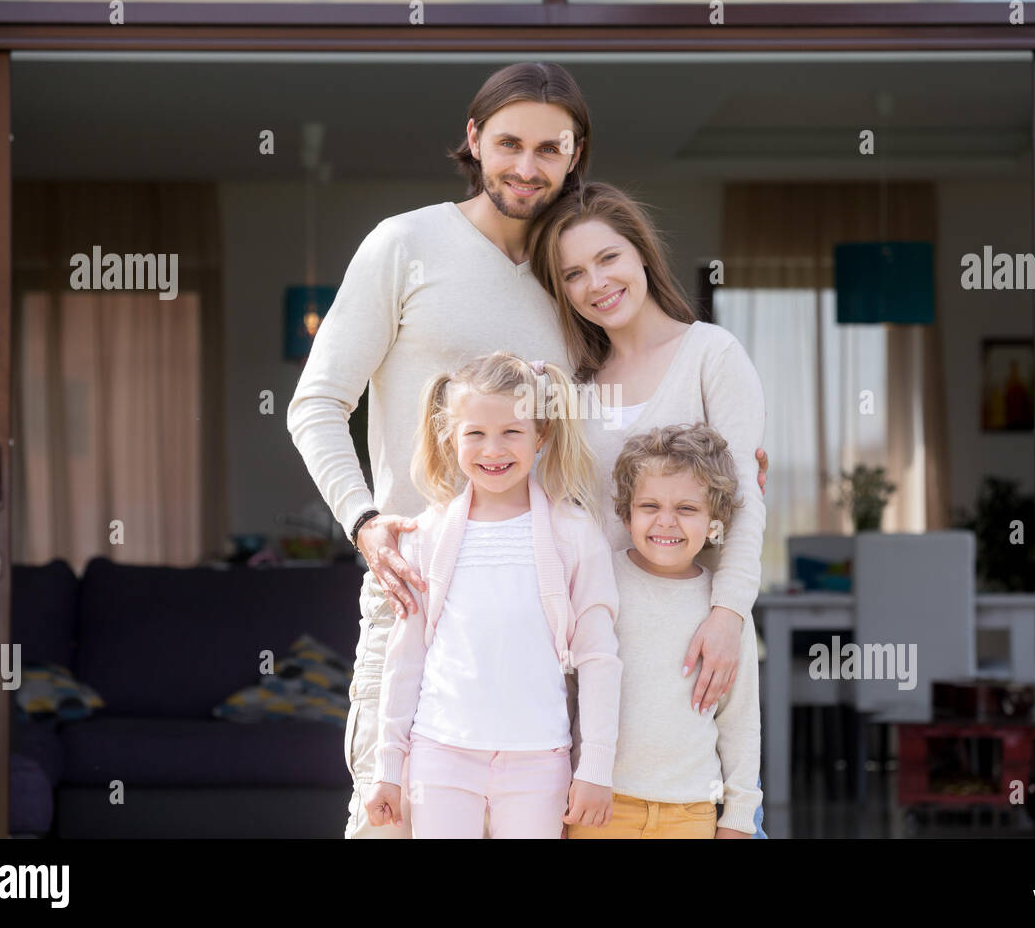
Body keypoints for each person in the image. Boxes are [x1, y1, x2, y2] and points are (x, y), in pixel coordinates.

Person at [286, 62, 767, 839]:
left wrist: (728, 532)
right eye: (509, 143)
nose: (526, 166)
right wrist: (366, 520)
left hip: (549, 647)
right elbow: (315, 403)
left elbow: (617, 437)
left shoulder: (571, 279)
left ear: (576, 155)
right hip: (422, 610)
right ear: (474, 140)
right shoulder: (402, 245)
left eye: (551, 148)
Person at [529, 181, 770, 836]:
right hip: (605, 638)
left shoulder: (710, 354)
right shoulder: (577, 385)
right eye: (573, 274)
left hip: (695, 626)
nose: (595, 283)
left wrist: (726, 615)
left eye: (608, 258)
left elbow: (745, 500)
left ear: (640, 252)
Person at [362, 353, 622, 838]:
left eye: (512, 432)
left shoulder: (574, 533)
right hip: (440, 754)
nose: (493, 449)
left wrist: (596, 768)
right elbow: (406, 659)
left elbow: (599, 657)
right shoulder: (429, 533)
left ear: (541, 436)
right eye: (475, 433)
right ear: (450, 437)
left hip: (538, 759)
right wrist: (387, 768)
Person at [567, 424, 760, 839]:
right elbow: (566, 690)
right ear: (626, 513)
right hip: (601, 804)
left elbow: (740, 720)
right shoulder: (598, 580)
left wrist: (739, 817)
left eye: (687, 509)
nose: (666, 522)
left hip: (691, 811)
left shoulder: (723, 611)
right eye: (650, 505)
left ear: (715, 522)